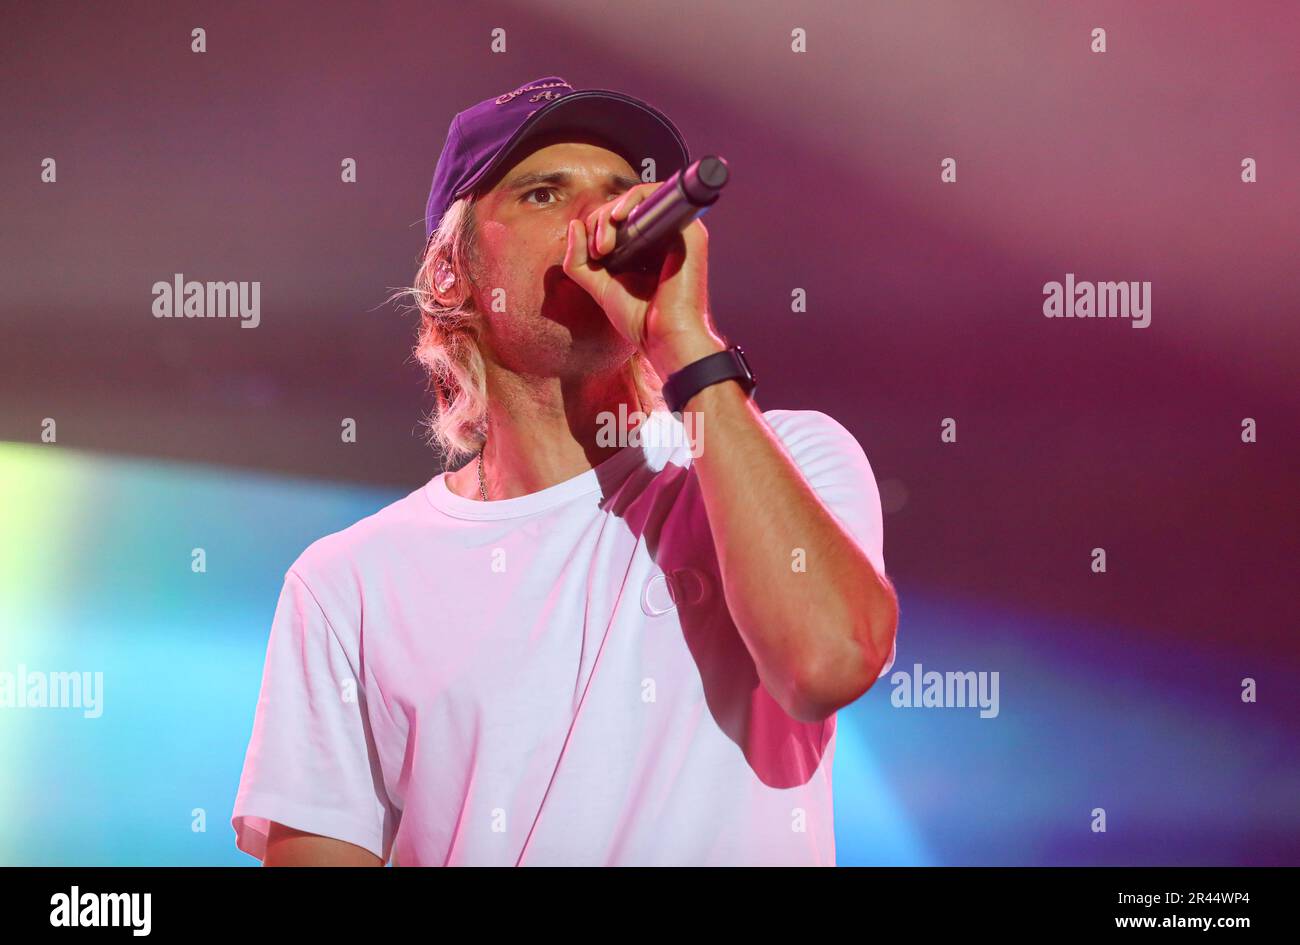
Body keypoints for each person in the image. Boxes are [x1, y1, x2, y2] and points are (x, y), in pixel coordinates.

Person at [230, 75, 899, 866]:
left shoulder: (792, 458)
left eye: (620, 193)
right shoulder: (350, 582)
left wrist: (687, 348)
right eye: (545, 194)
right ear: (451, 272)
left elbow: (828, 662)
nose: (597, 220)